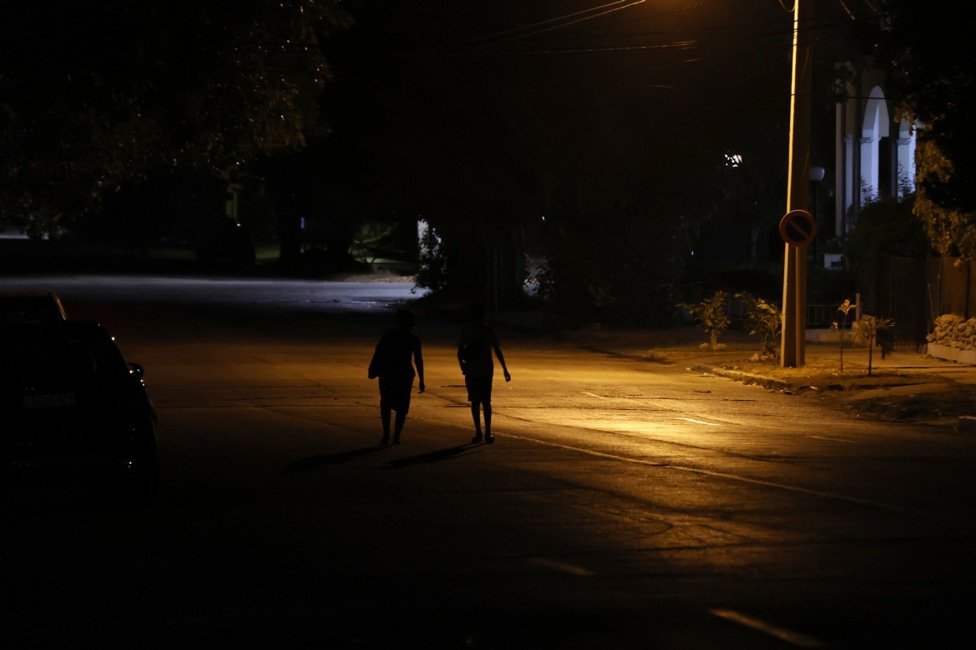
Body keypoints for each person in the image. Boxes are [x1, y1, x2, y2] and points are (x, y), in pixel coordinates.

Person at [368, 308, 425, 445]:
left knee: (386, 403)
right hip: (402, 373)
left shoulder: (390, 334)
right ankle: (395, 436)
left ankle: (387, 434)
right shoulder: (413, 339)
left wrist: (373, 368)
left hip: (389, 372)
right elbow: (418, 360)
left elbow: (379, 352)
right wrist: (422, 379)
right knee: (401, 405)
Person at [457, 302, 511, 444]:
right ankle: (488, 432)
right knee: (486, 401)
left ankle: (478, 432)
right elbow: (497, 350)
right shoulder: (487, 330)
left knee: (475, 402)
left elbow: (460, 351)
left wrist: (462, 366)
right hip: (486, 370)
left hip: (471, 369)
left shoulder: (466, 330)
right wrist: (504, 369)